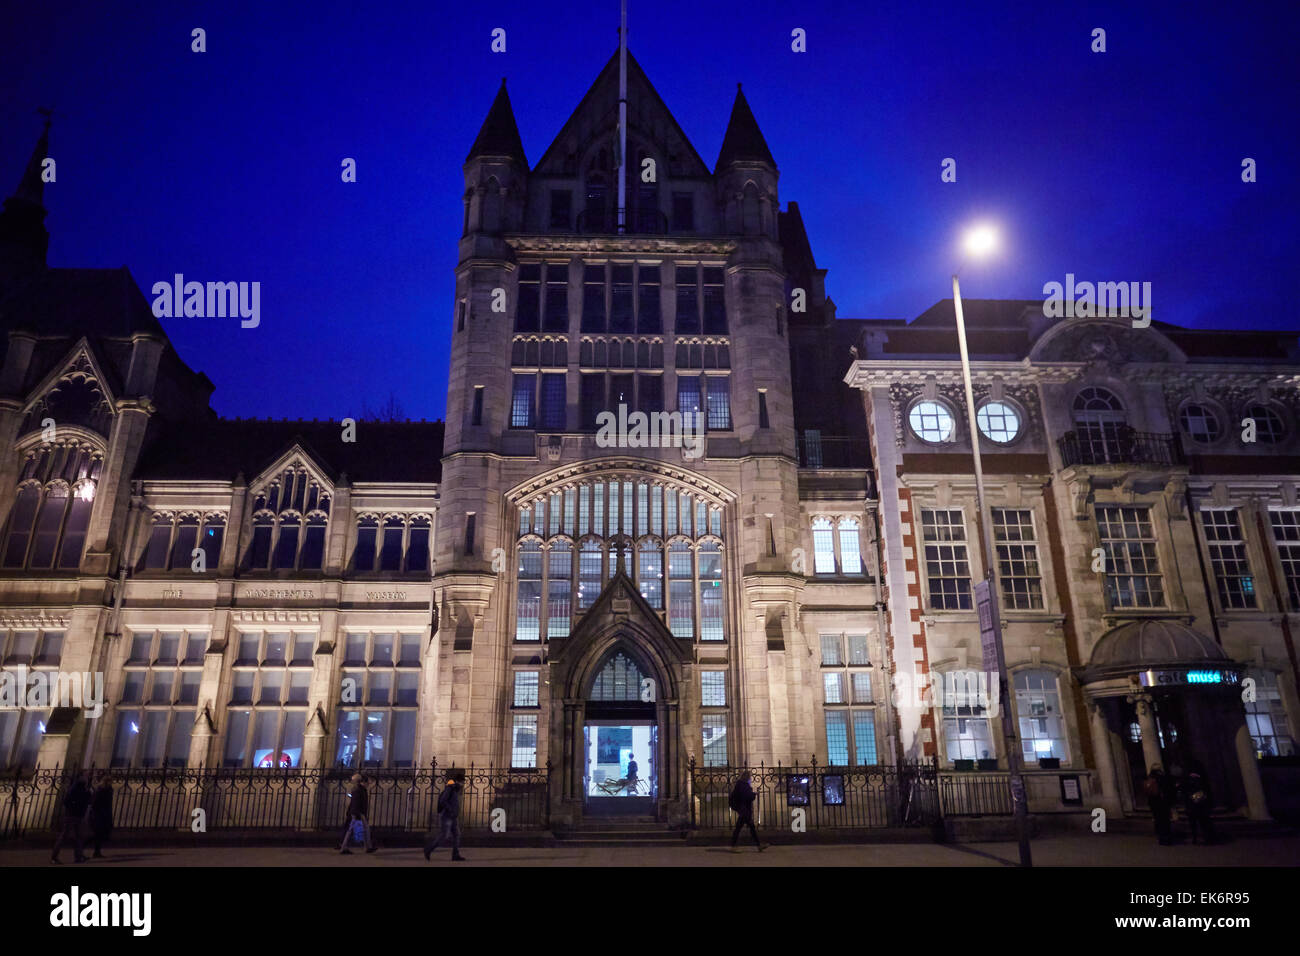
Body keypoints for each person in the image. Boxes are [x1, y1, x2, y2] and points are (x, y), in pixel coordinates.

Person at [52, 771, 91, 864]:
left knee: (78, 836)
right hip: (72, 815)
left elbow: (87, 800)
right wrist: (75, 807)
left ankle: (78, 856)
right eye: (85, 776)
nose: (87, 777)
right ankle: (54, 857)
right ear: (80, 777)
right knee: (64, 836)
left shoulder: (83, 788)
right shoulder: (75, 787)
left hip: (79, 815)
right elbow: (67, 801)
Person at [424, 776, 466, 861]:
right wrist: (450, 810)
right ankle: (428, 849)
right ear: (457, 781)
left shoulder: (454, 790)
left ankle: (455, 855)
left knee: (457, 835)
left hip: (453, 817)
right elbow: (443, 801)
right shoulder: (449, 789)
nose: (463, 784)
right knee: (444, 836)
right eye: (462, 782)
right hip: (447, 816)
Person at [728, 770, 767, 852]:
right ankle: (733, 846)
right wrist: (753, 795)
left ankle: (758, 845)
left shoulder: (741, 784)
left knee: (745, 828)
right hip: (744, 810)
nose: (750, 778)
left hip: (743, 810)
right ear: (747, 777)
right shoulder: (743, 785)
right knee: (742, 828)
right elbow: (746, 797)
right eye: (750, 777)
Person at [338, 773, 376, 855]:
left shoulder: (359, 789)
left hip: (358, 812)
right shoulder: (359, 790)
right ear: (364, 782)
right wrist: (355, 814)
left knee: (362, 830)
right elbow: (356, 803)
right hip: (358, 813)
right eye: (368, 783)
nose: (368, 785)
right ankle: (344, 847)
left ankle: (368, 847)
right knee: (354, 830)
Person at [1183, 771, 1216, 845]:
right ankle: (1205, 837)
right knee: (1203, 822)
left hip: (1194, 806)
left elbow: (1188, 797)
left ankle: (1197, 838)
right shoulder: (1200, 785)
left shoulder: (1190, 785)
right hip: (1198, 806)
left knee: (1196, 823)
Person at [1143, 766, 1173, 846]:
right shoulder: (1161, 778)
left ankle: (1161, 838)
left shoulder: (1149, 778)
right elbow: (1167, 789)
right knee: (1165, 821)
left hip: (1154, 803)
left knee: (1158, 820)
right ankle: (1166, 838)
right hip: (1162, 802)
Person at [89, 772, 114, 859]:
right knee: (98, 834)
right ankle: (90, 849)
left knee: (101, 834)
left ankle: (97, 851)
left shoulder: (109, 790)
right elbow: (94, 803)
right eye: (110, 781)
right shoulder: (100, 790)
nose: (111, 782)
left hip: (105, 815)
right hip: (98, 815)